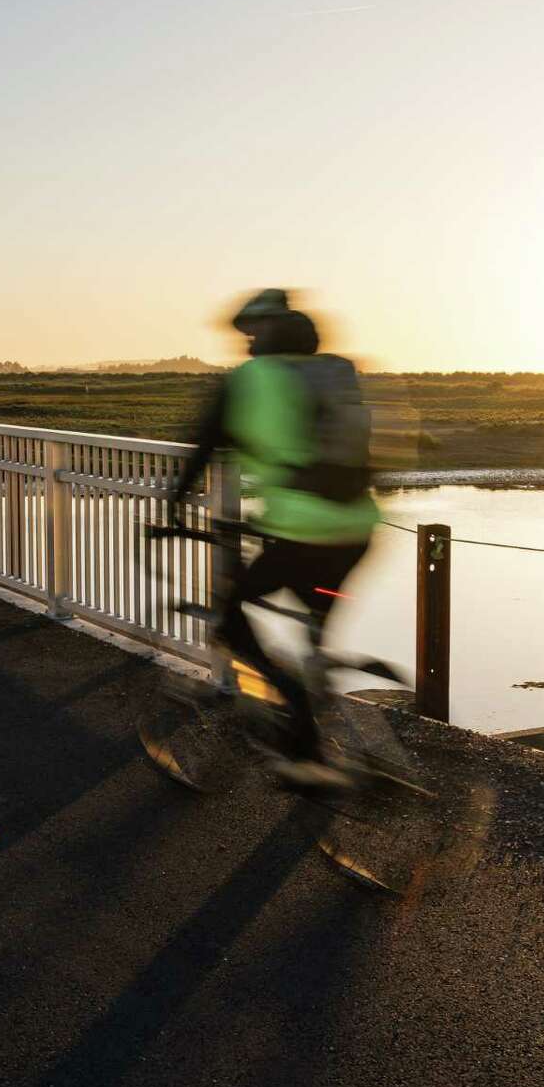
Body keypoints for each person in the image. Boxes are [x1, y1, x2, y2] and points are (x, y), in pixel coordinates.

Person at [167, 289, 383, 790]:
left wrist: (175, 507)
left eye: (249, 333)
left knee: (230, 621)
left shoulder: (249, 381)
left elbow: (202, 446)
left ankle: (305, 744)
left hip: (302, 534)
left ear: (258, 338)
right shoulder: (335, 372)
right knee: (314, 623)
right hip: (357, 529)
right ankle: (323, 692)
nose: (245, 342)